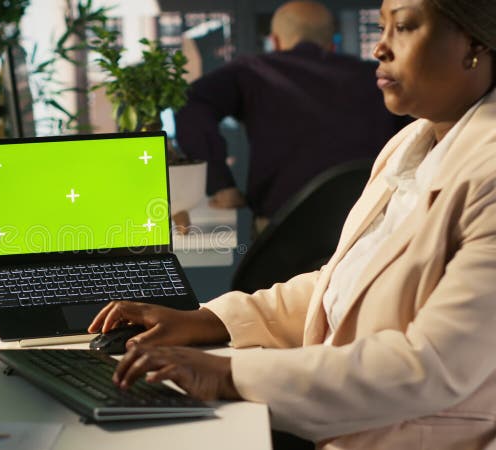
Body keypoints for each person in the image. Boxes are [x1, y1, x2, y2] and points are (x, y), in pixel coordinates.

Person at [90, 0, 496, 447]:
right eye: (381, 28)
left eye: (402, 27)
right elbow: (343, 285)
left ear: (476, 41)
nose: (379, 48)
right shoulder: (409, 142)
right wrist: (207, 320)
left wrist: (226, 372)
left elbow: (432, 366)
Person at [175, 1, 410, 221]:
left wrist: (219, 182)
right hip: (373, 223)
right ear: (331, 44)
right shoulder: (374, 77)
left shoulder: (253, 71)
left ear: (275, 41)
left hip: (283, 231)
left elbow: (190, 105)